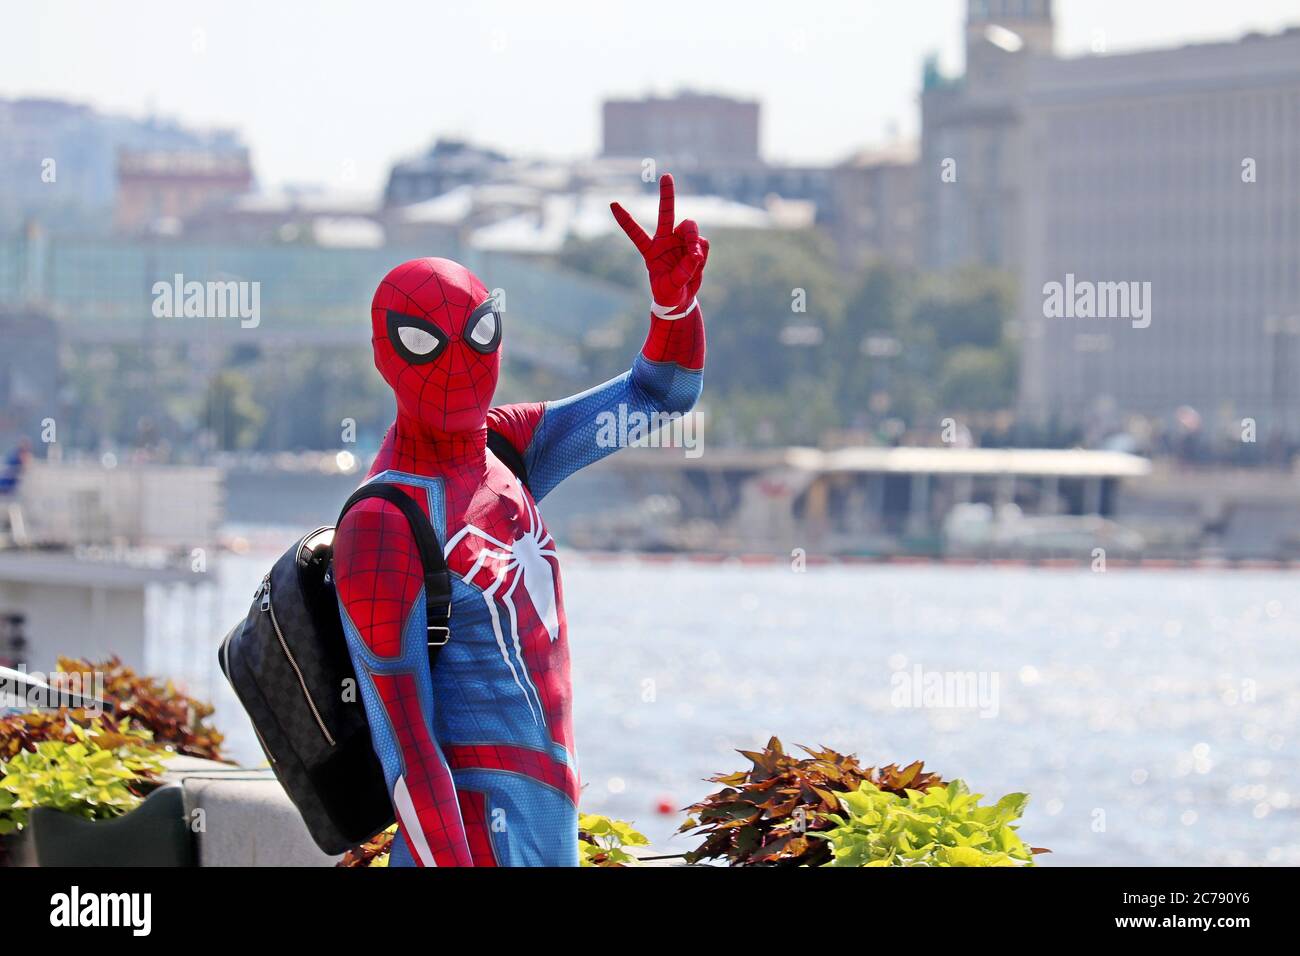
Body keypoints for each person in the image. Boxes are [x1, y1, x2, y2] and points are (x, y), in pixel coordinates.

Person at [331, 175, 708, 866]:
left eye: (479, 334)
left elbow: (659, 395)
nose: (458, 364)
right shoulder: (387, 522)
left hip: (546, 828)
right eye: (424, 342)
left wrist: (671, 307)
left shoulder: (508, 445)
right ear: (386, 357)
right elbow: (409, 756)